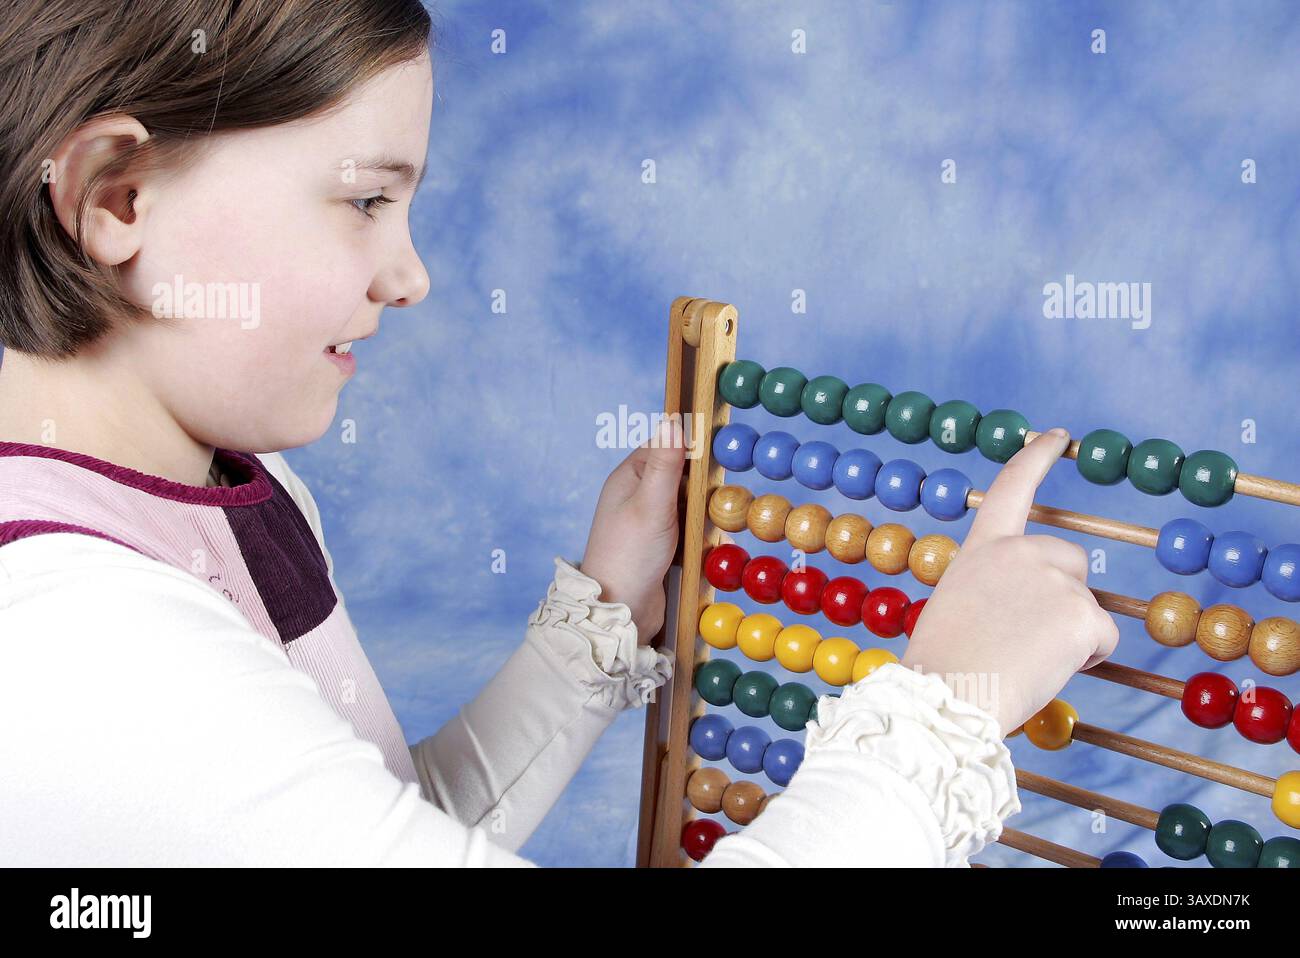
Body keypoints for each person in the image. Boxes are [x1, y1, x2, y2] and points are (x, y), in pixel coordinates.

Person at [0, 1, 1118, 867]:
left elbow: (362, 831)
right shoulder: (74, 642)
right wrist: (946, 712)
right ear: (117, 196)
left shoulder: (231, 483)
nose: (411, 275)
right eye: (362, 201)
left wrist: (600, 614)